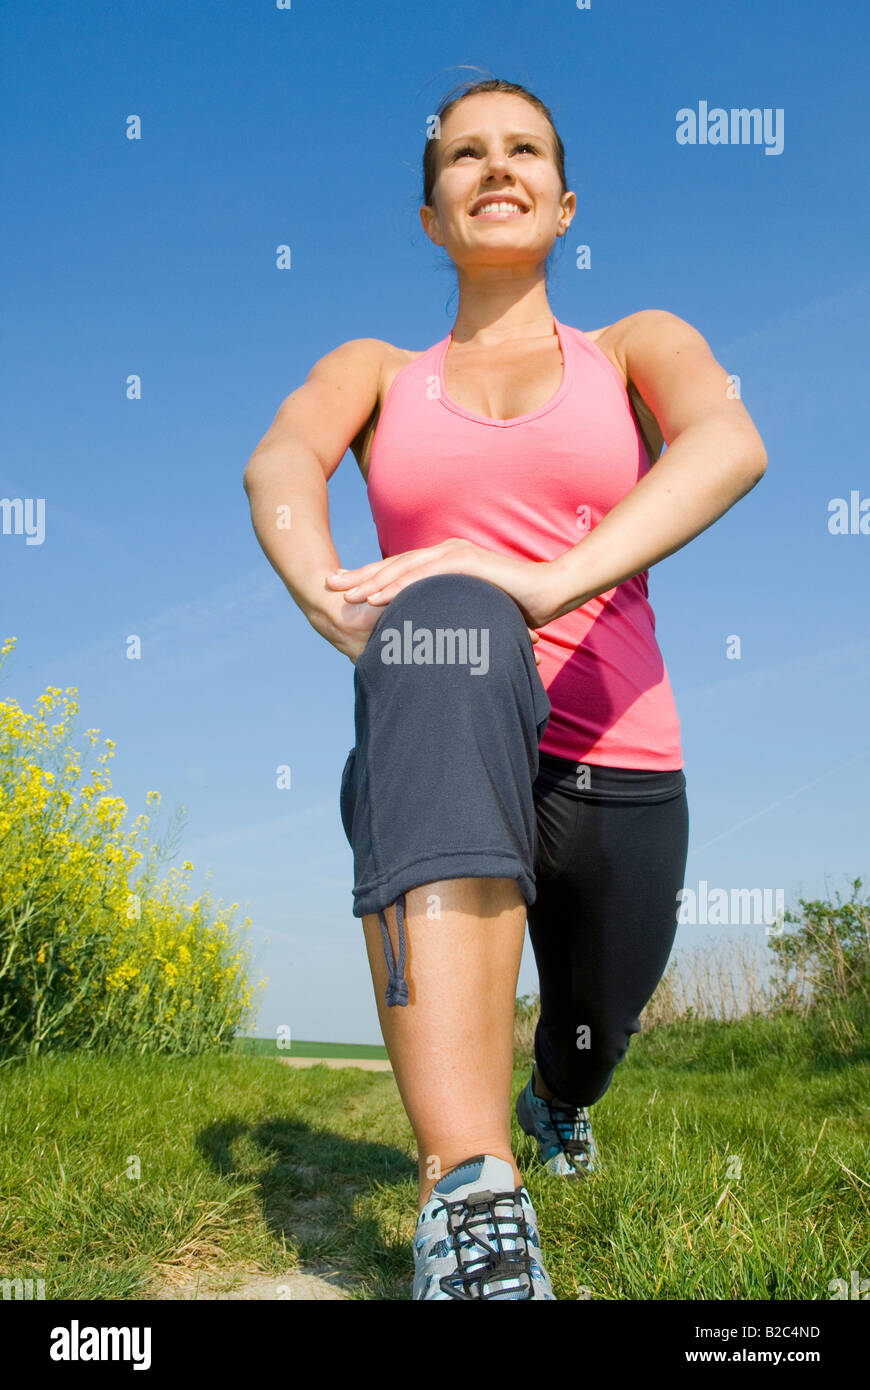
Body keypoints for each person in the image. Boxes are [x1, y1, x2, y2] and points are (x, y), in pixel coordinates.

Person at [242, 77, 768, 1300]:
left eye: (522, 149)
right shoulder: (378, 371)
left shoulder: (636, 346)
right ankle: (471, 1195)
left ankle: (553, 1101)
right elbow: (280, 456)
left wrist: (538, 579)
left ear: (565, 201)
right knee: (449, 622)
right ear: (431, 215)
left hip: (615, 764)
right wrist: (325, 588)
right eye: (463, 155)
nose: (495, 166)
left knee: (590, 1036)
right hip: (443, 732)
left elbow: (728, 443)